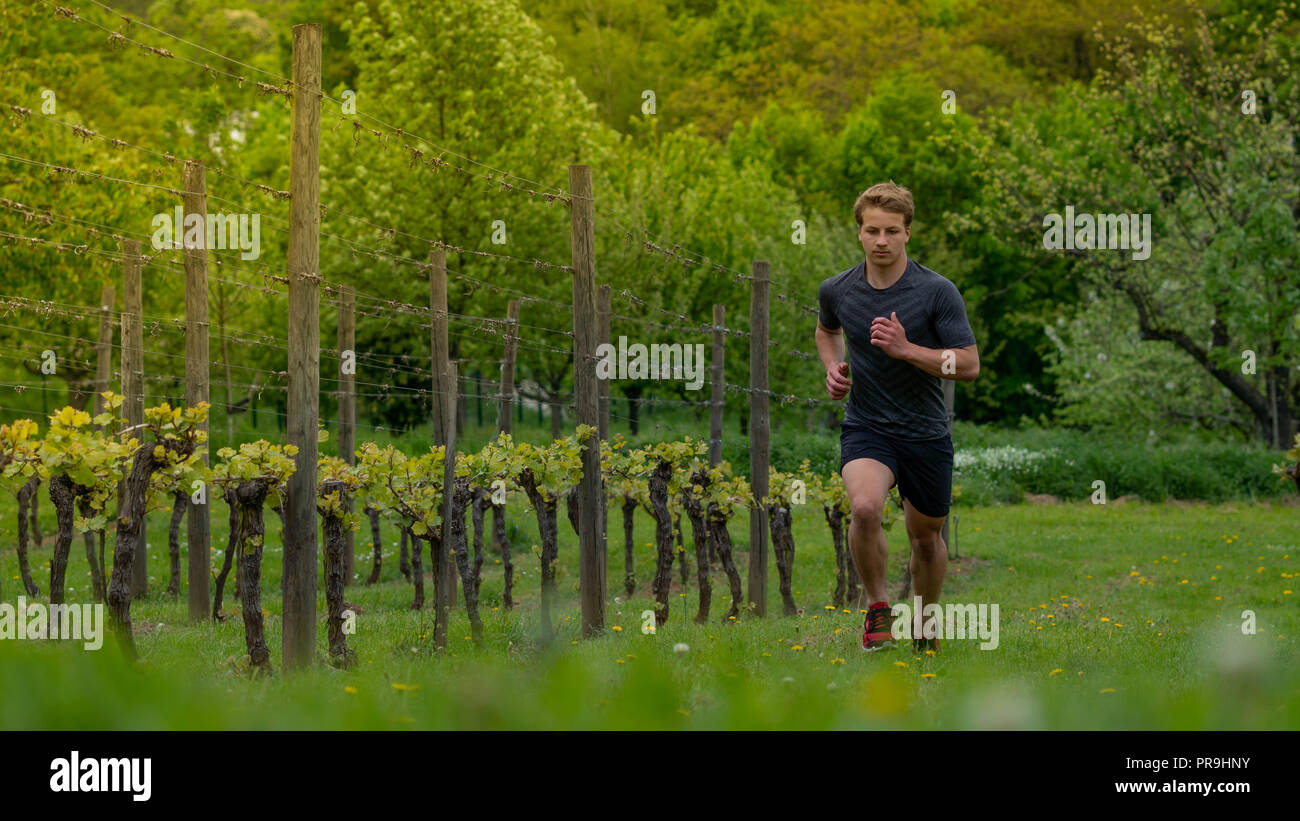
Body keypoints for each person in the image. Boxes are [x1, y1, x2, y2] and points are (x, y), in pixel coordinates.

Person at [814, 181, 980, 653]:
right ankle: (878, 609)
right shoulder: (838, 289)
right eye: (872, 230)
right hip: (867, 424)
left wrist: (908, 350)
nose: (881, 240)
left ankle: (925, 623)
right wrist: (832, 367)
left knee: (925, 539)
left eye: (891, 231)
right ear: (860, 234)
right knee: (864, 508)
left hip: (925, 431)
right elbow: (827, 332)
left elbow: (967, 365)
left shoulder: (935, 292)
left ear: (908, 232)